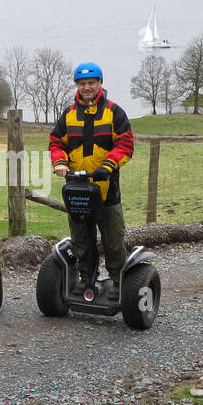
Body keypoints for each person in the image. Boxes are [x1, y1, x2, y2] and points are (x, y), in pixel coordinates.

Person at [49, 62, 135, 301]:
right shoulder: (68, 114)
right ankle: (87, 279)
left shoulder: (113, 112)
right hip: (77, 188)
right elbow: (56, 142)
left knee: (114, 241)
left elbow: (126, 144)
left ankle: (118, 281)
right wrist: (60, 163)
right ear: (77, 85)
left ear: (100, 84)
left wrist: (108, 166)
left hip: (106, 190)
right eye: (82, 83)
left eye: (91, 83)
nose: (87, 87)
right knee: (81, 240)